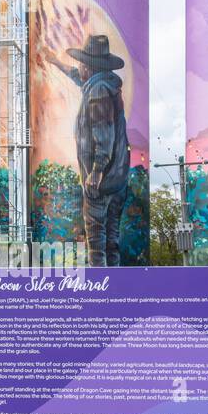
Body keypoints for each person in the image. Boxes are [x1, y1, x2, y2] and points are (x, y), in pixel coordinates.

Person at [45, 34, 131, 266]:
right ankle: (114, 287)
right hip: (118, 178)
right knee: (112, 238)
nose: (79, 67)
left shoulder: (98, 92)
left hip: (100, 181)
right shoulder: (105, 84)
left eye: (82, 63)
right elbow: (77, 77)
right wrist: (55, 62)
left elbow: (104, 134)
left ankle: (100, 289)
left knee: (96, 239)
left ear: (90, 67)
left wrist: (96, 172)